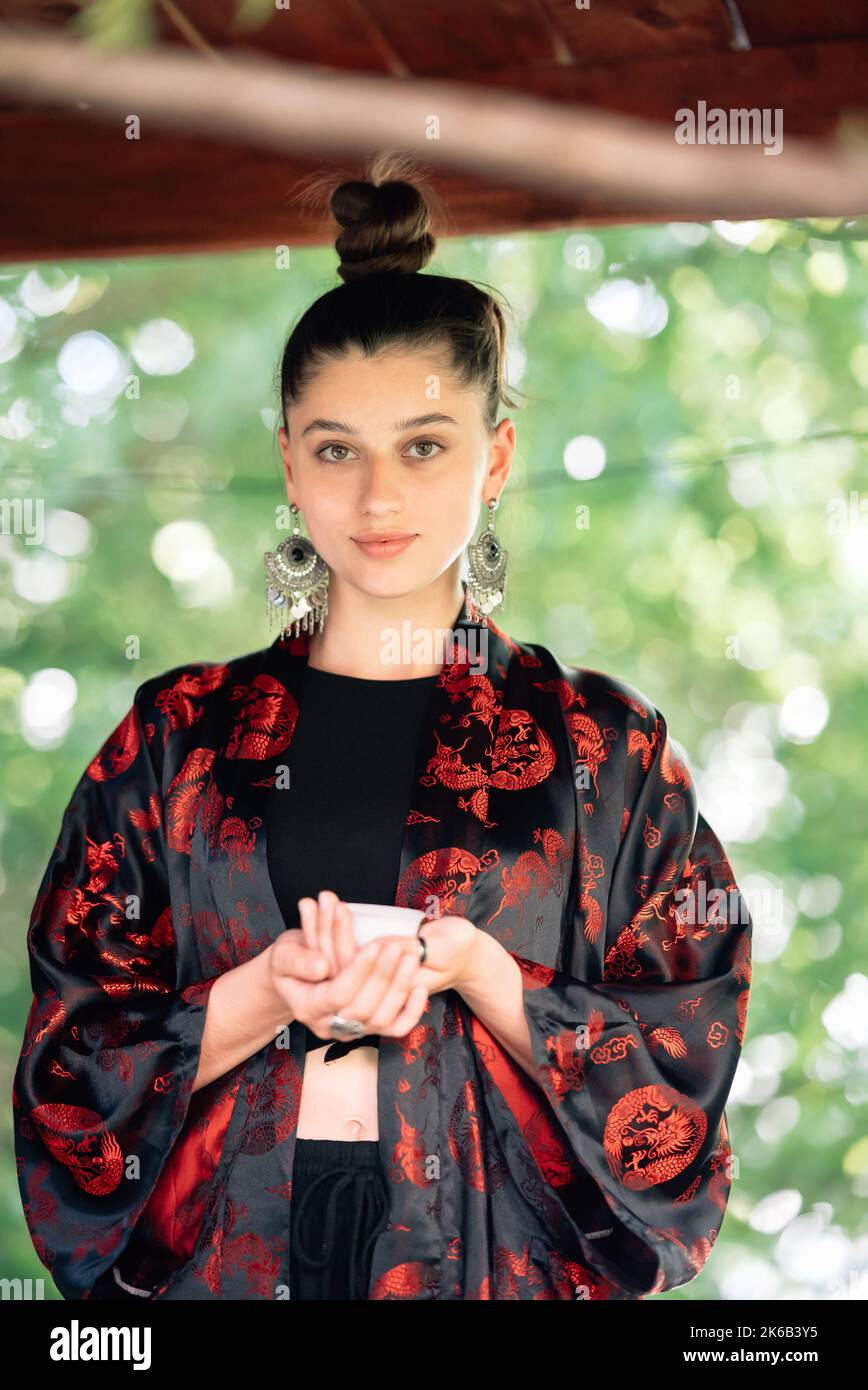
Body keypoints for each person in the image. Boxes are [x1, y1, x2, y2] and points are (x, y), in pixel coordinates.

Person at [12, 155, 753, 1302]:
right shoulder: (175, 740)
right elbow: (68, 1063)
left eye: (423, 444)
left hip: (491, 1258)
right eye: (334, 449)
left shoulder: (603, 747)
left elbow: (685, 1050)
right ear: (289, 466)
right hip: (232, 1257)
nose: (377, 498)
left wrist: (485, 974)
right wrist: (263, 990)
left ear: (494, 456)